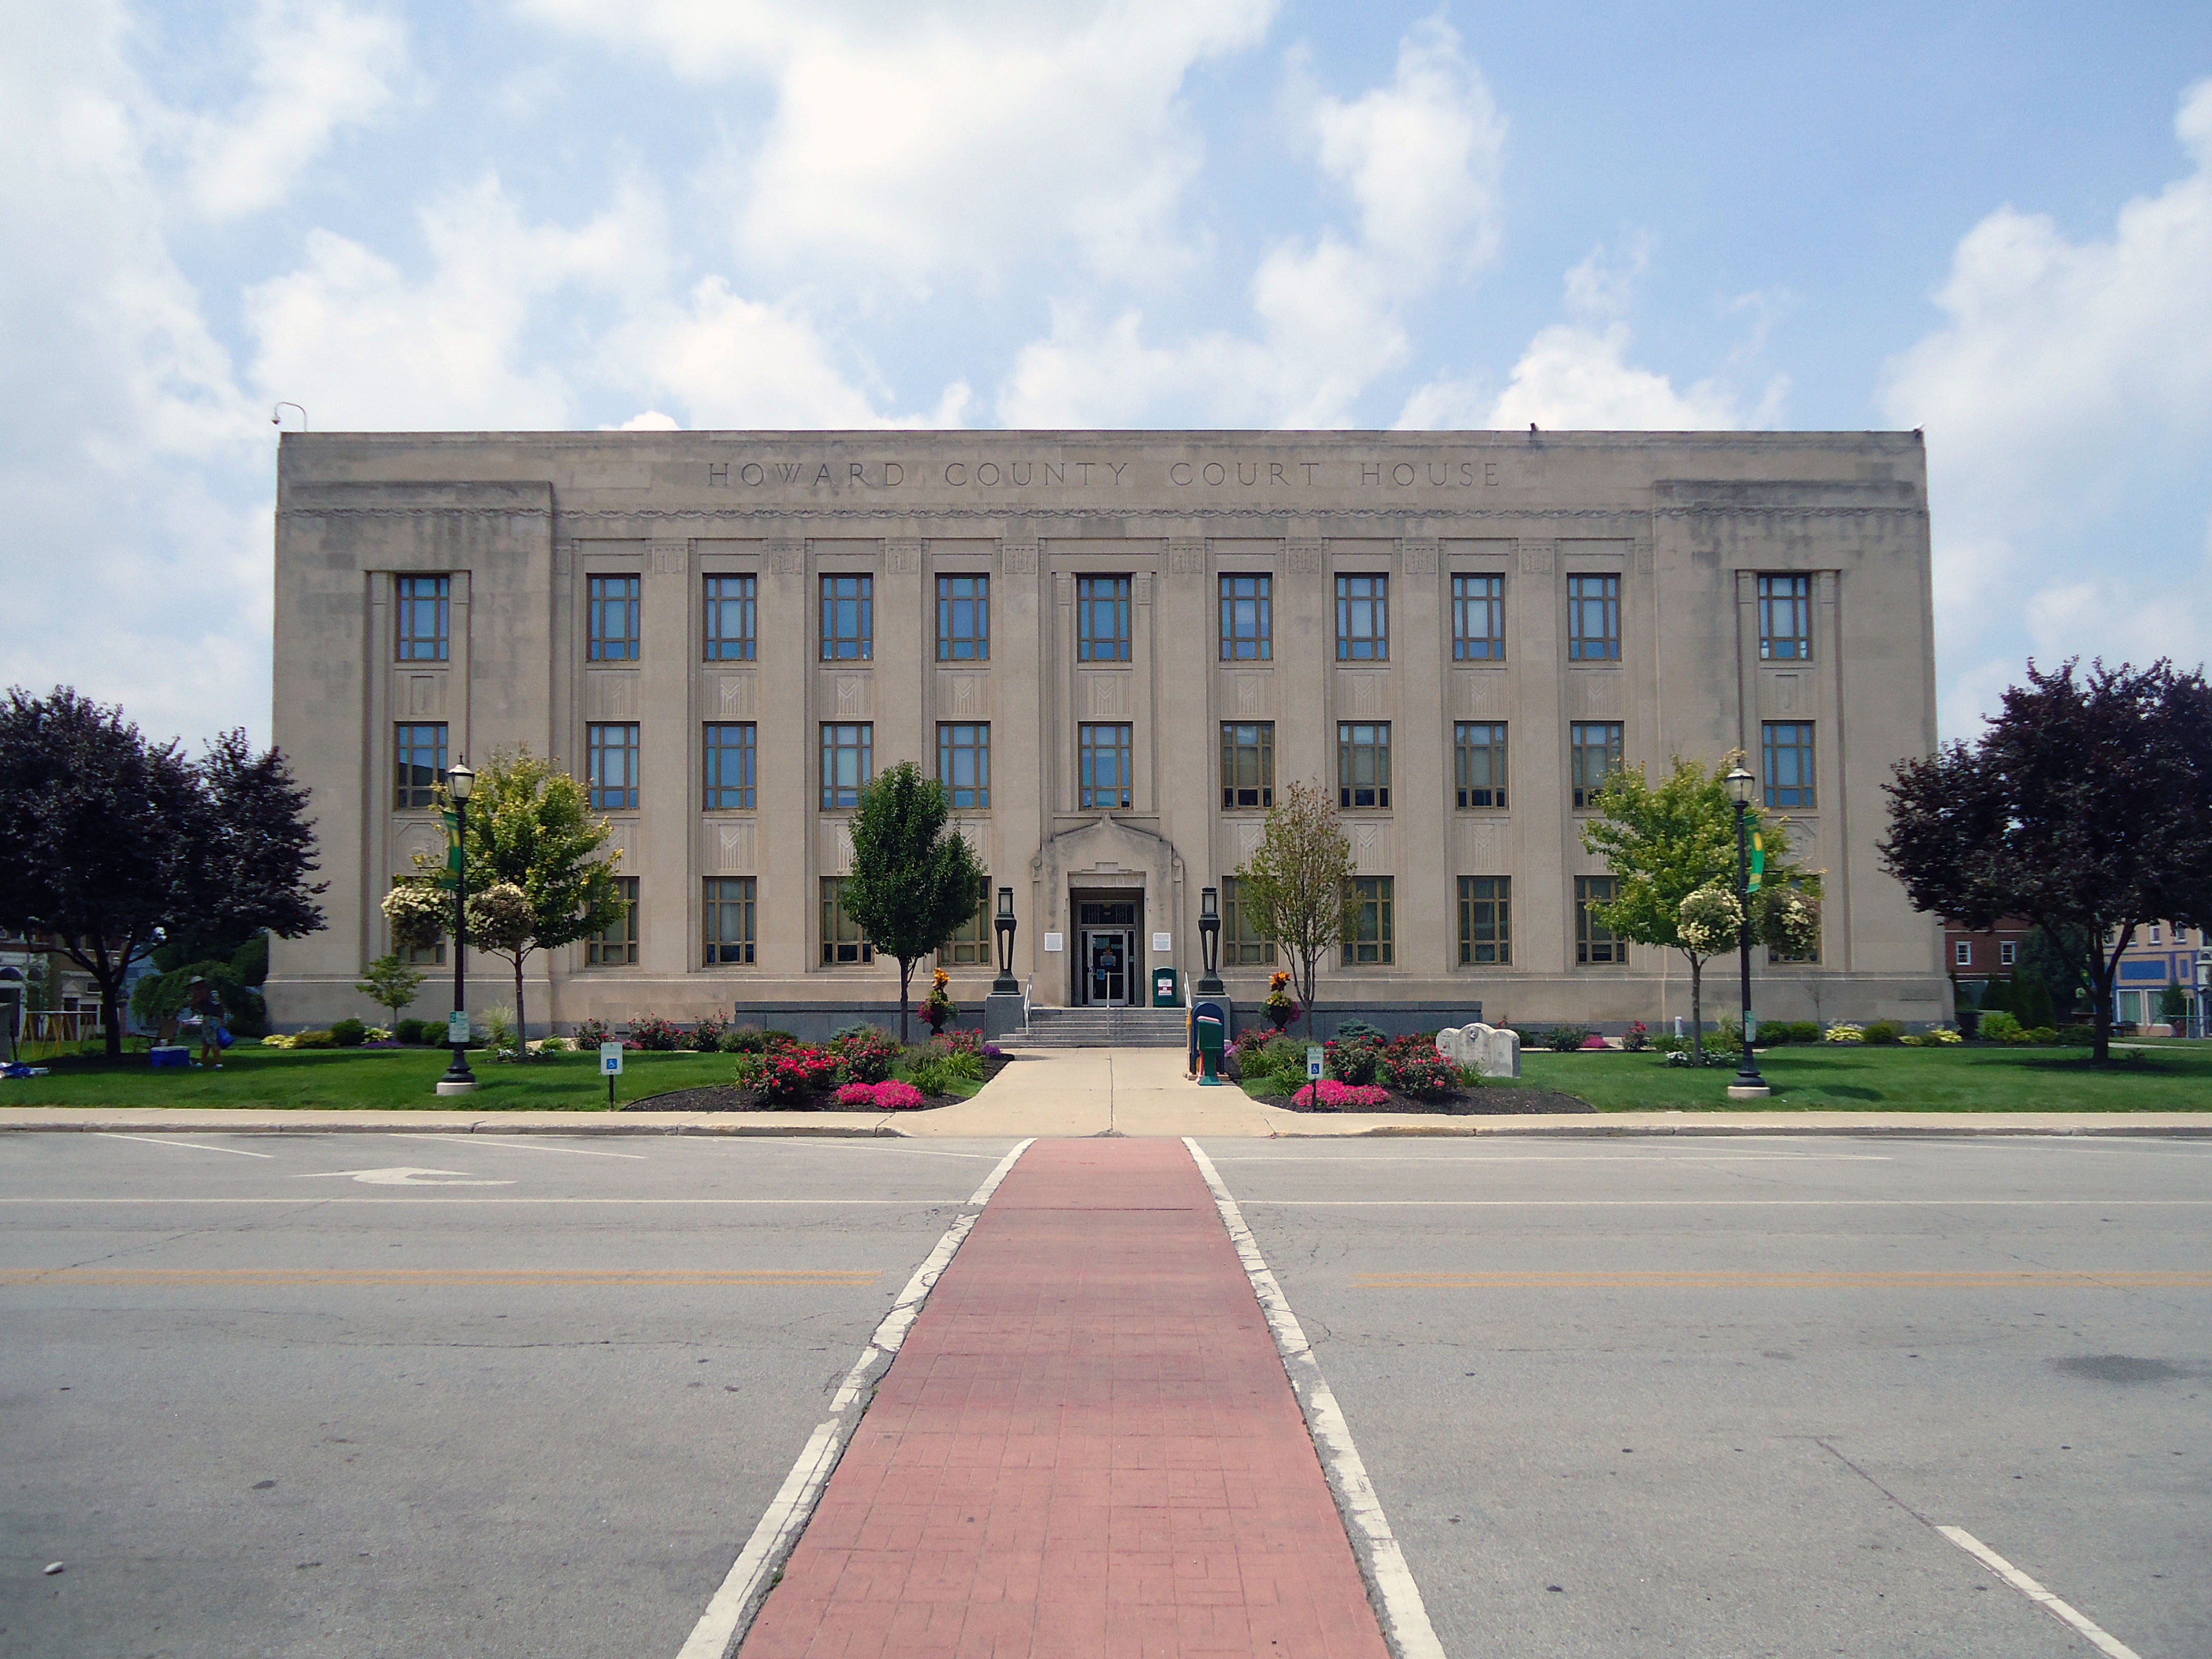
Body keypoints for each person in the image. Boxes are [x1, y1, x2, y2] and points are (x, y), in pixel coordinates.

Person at [187, 977, 225, 1069]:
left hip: (209, 1017)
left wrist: (194, 996)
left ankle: (219, 1063)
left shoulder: (203, 992)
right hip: (216, 1017)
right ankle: (202, 1062)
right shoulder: (213, 992)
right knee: (206, 1042)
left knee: (212, 1041)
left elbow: (196, 1002)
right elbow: (220, 1005)